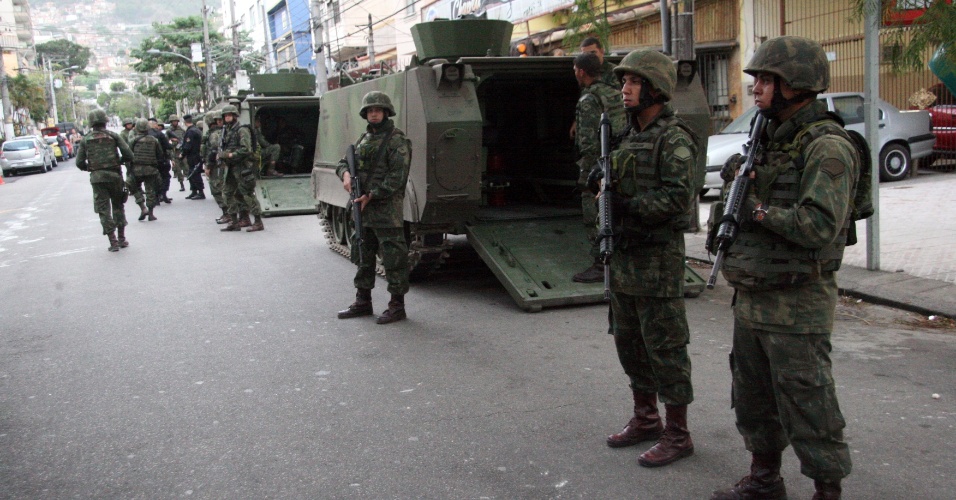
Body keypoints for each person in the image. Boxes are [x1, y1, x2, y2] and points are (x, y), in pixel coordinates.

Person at [710, 36, 856, 500]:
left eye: (766, 80)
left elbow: (819, 226)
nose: (756, 90)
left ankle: (826, 490)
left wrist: (755, 210)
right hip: (752, 296)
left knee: (808, 401)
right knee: (753, 399)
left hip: (798, 302)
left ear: (797, 85)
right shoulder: (765, 142)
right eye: (756, 80)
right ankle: (764, 478)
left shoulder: (828, 147)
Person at [592, 49, 698, 468]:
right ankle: (646, 418)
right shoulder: (626, 134)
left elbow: (677, 200)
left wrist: (625, 206)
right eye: (624, 82)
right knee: (630, 345)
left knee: (666, 350)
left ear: (655, 88)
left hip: (657, 264)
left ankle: (679, 433)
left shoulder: (674, 138)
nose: (625, 89)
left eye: (633, 82)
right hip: (624, 260)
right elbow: (613, 181)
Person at [335, 91, 412, 325]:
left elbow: (397, 178)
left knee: (393, 259)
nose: (374, 113)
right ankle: (363, 301)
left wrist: (372, 195)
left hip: (386, 211)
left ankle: (397, 306)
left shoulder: (397, 141)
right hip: (363, 209)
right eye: (370, 110)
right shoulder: (363, 139)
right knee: (363, 255)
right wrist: (346, 175)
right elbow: (342, 163)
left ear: (386, 112)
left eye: (378, 110)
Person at [571, 52, 626, 283]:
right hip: (618, 161)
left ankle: (600, 263)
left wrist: (589, 173)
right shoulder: (614, 94)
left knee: (593, 212)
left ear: (581, 72)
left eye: (575, 69)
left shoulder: (589, 99)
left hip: (598, 165)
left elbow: (588, 142)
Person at [75, 109, 134, 252]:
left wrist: (91, 168)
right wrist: (119, 161)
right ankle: (121, 238)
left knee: (103, 210)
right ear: (105, 122)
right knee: (118, 206)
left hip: (97, 178)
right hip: (115, 176)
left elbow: (79, 162)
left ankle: (113, 241)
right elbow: (128, 154)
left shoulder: (86, 139)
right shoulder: (113, 136)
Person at [218, 104, 265, 232]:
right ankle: (234, 221)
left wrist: (229, 154)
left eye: (229, 115)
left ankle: (258, 221)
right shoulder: (227, 130)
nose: (227, 117)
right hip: (230, 167)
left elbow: (247, 150)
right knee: (228, 193)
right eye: (225, 115)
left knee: (247, 194)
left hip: (242, 167)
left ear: (234, 116)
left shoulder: (241, 130)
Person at [126, 119, 163, 222]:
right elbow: (160, 154)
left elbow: (128, 154)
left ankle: (143, 207)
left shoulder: (133, 140)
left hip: (136, 169)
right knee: (150, 190)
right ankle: (151, 213)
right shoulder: (154, 140)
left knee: (133, 186)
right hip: (151, 169)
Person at [202, 111, 231, 224]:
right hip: (222, 165)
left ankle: (227, 213)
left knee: (217, 190)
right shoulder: (223, 132)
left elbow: (213, 151)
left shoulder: (215, 134)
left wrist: (208, 166)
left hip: (217, 166)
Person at [147, 118, 173, 204]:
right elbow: (168, 146)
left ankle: (156, 197)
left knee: (153, 179)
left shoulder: (145, 135)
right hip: (161, 160)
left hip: (149, 161)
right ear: (155, 125)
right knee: (165, 177)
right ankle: (163, 194)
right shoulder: (159, 134)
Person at [181, 115, 205, 200]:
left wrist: (182, 154)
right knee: (192, 173)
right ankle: (194, 191)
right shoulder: (196, 130)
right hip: (196, 155)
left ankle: (200, 192)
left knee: (195, 173)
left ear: (185, 122)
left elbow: (188, 146)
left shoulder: (190, 132)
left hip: (193, 155)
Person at [166, 115, 187, 192]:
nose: (175, 122)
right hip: (174, 151)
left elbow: (185, 139)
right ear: (171, 122)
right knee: (178, 169)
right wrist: (172, 141)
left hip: (182, 151)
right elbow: (166, 142)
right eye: (173, 121)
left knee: (187, 167)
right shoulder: (169, 131)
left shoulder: (182, 130)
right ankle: (181, 184)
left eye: (176, 121)